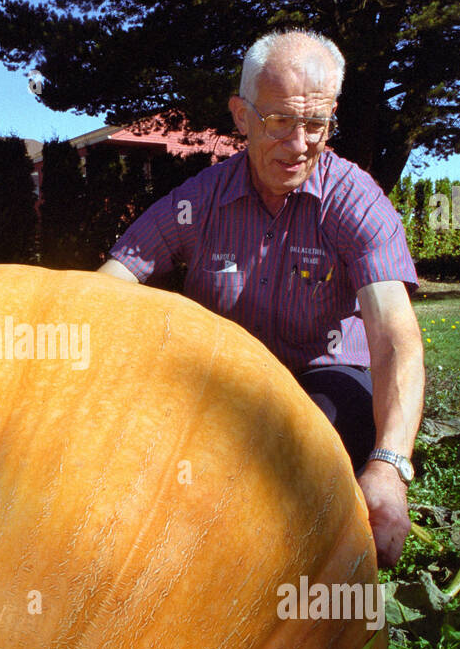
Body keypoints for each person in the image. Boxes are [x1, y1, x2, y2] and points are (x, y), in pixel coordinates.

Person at [99, 29, 425, 568]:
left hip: (328, 378)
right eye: (279, 122)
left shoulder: (357, 201)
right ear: (242, 115)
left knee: (305, 440)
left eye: (316, 124)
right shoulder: (198, 201)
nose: (300, 145)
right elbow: (111, 283)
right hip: (228, 387)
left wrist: (389, 466)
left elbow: (394, 334)